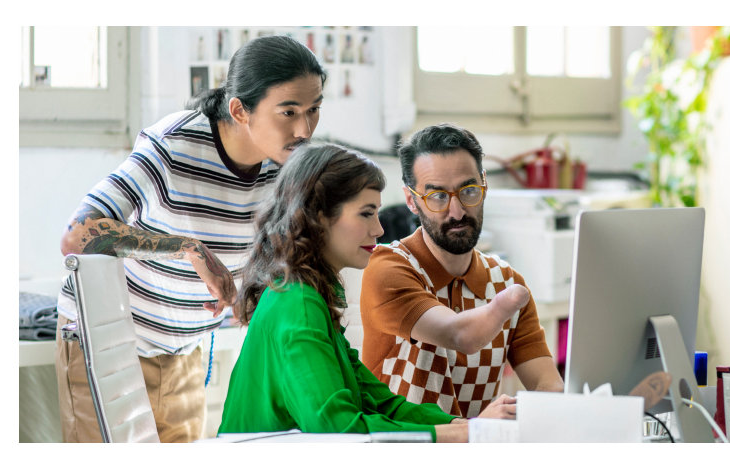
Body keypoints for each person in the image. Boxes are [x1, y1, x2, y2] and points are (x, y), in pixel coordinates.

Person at [55, 35, 326, 443]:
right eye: (288, 111)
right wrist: (190, 249)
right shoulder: (173, 145)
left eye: (314, 109)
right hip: (106, 346)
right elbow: (78, 235)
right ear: (239, 109)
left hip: (183, 351)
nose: (304, 129)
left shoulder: (285, 167)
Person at [218, 143, 470, 443]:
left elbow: (379, 402)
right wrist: (450, 435)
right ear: (319, 216)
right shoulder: (297, 303)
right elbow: (336, 430)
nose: (378, 229)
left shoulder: (308, 294)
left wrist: (463, 426)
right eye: (366, 214)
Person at [360, 123, 564, 419]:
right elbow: (459, 334)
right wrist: (481, 427)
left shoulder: (506, 281)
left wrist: (525, 412)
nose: (457, 212)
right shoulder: (389, 268)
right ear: (411, 200)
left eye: (468, 191)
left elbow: (548, 384)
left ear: (484, 185)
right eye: (438, 197)